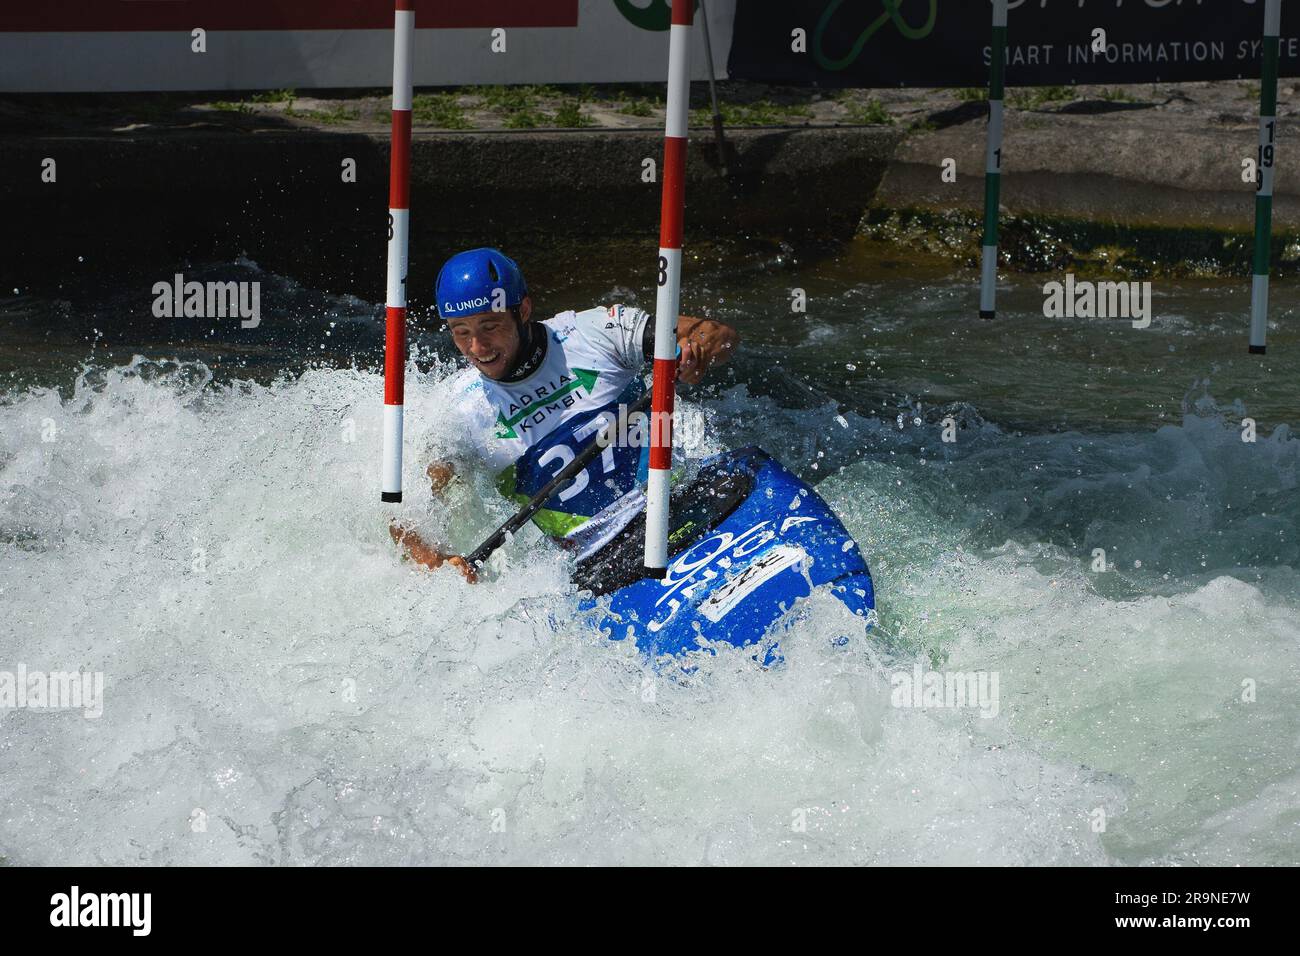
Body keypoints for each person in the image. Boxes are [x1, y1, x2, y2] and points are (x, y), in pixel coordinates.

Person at [390, 247, 739, 581]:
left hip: (689, 502)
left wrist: (696, 348)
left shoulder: (593, 332)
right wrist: (435, 564)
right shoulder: (460, 412)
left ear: (523, 309)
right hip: (603, 562)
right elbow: (405, 517)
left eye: (489, 326)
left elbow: (719, 336)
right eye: (461, 333)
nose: (477, 348)